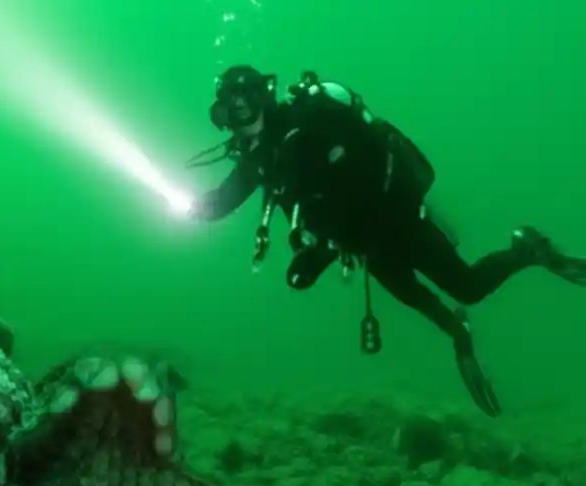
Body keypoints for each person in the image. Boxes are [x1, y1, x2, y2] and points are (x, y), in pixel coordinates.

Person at [182, 65, 586, 417]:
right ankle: (460, 336)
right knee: (423, 301)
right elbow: (223, 200)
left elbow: (349, 185)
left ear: (263, 98)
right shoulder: (258, 159)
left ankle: (527, 250)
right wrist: (183, 206)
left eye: (245, 103)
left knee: (469, 286)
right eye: (229, 110)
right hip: (369, 250)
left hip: (397, 223)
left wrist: (318, 251)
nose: (239, 116)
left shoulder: (310, 125)